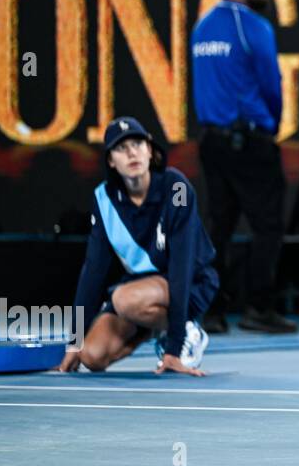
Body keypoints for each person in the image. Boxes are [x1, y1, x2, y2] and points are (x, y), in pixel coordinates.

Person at [57, 116, 218, 377]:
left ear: (150, 150)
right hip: (139, 291)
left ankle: (186, 332)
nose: (131, 153)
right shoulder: (104, 198)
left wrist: (174, 350)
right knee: (92, 356)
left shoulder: (175, 187)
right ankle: (158, 329)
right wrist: (74, 341)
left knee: (124, 298)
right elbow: (93, 271)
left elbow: (181, 266)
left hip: (192, 282)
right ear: (111, 160)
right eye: (121, 148)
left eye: (137, 144)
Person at [191, 0, 297, 335]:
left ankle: (212, 311)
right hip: (248, 141)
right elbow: (271, 84)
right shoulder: (252, 25)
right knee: (267, 225)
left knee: (219, 226)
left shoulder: (201, 28)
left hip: (212, 140)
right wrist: (271, 124)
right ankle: (259, 306)